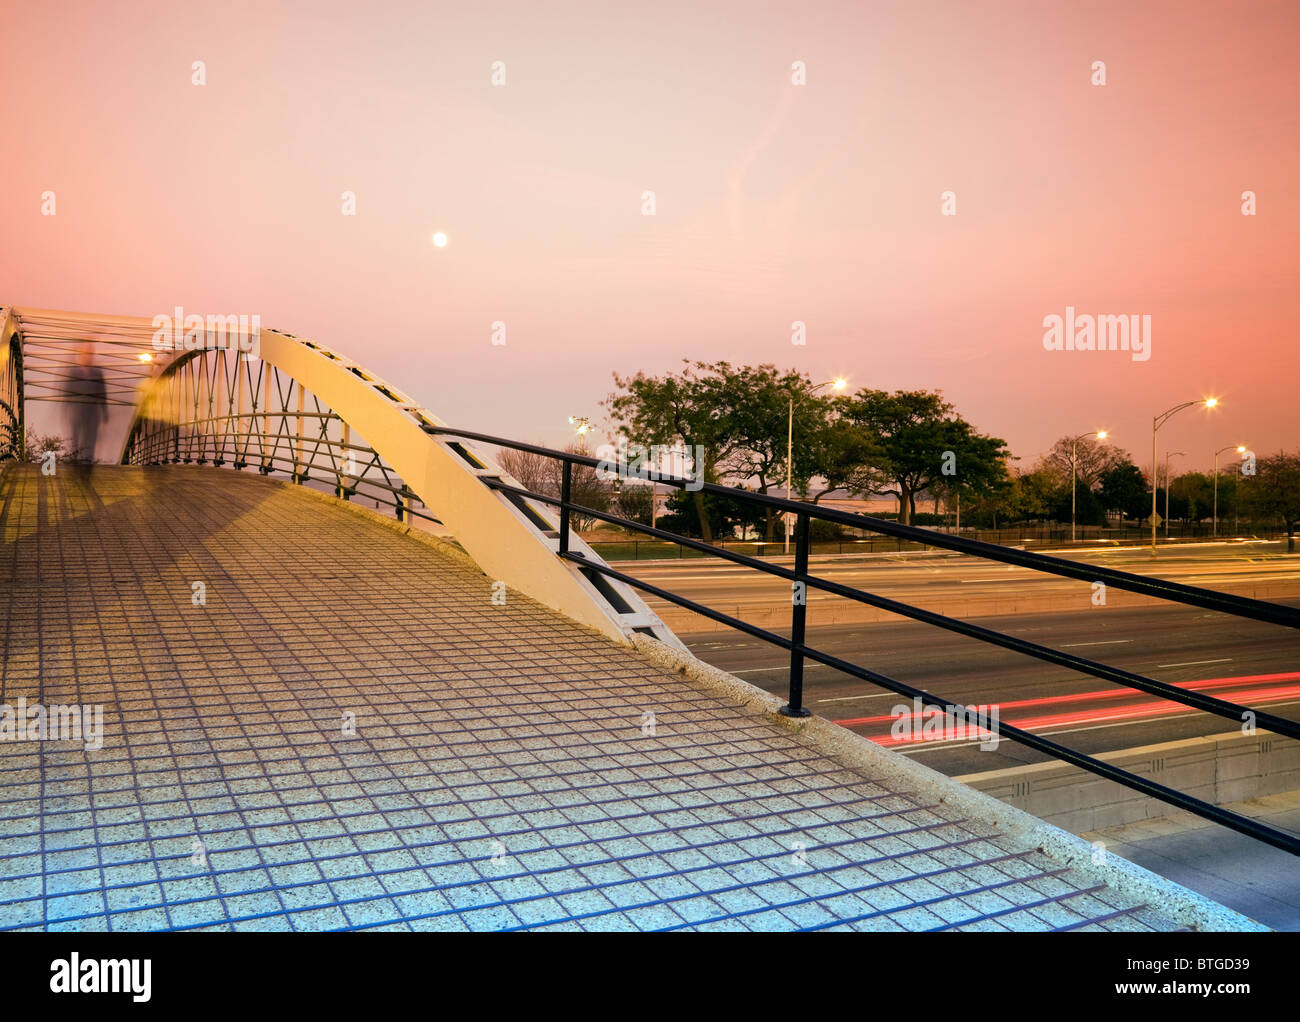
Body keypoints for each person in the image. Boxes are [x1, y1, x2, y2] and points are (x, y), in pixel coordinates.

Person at [66, 346, 109, 463]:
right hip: (77, 411)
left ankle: (88, 462)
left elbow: (102, 393)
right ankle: (75, 460)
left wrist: (105, 413)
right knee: (76, 437)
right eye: (85, 353)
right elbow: (68, 391)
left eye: (89, 354)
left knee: (91, 438)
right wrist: (67, 408)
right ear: (81, 355)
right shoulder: (73, 372)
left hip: (92, 413)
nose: (87, 356)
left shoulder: (97, 372)